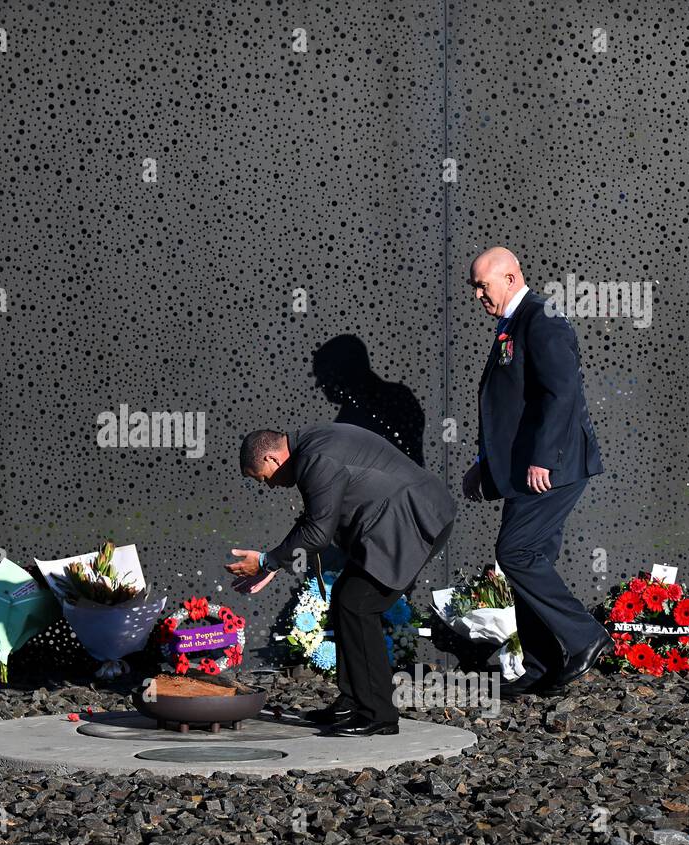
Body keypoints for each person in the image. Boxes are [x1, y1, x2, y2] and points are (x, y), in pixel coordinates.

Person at [228, 423, 456, 736]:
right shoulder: (313, 445)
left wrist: (268, 560)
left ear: (271, 459)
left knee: (358, 604)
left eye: (263, 479)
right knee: (347, 599)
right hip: (405, 516)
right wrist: (274, 565)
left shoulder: (315, 459)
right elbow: (317, 520)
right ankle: (354, 701)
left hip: (415, 518)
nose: (270, 486)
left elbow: (318, 533)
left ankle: (378, 714)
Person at [462, 246, 608, 697]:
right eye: (474, 288)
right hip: (527, 469)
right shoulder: (514, 320)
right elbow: (511, 409)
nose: (478, 296)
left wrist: (543, 456)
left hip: (553, 467)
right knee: (531, 559)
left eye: (483, 286)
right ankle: (543, 664)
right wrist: (484, 466)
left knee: (516, 554)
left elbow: (561, 394)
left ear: (510, 277)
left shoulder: (542, 318)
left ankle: (586, 636)